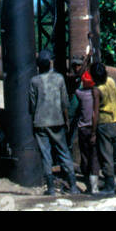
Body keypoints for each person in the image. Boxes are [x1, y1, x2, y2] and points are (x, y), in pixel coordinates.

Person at [28, 50, 78, 195]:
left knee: (46, 154)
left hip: (40, 122)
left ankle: (50, 188)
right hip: (57, 121)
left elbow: (32, 105)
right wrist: (67, 120)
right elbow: (65, 103)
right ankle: (73, 186)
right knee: (64, 152)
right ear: (50, 63)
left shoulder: (34, 81)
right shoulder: (59, 79)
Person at [94, 62, 116, 196]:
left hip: (104, 124)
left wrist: (92, 132)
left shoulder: (96, 90)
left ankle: (109, 186)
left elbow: (95, 113)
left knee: (106, 156)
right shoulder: (111, 81)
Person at [73, 67, 101, 194]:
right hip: (94, 128)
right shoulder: (96, 93)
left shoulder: (79, 93)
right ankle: (94, 187)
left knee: (84, 156)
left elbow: (76, 87)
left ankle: (87, 184)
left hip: (83, 129)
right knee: (94, 156)